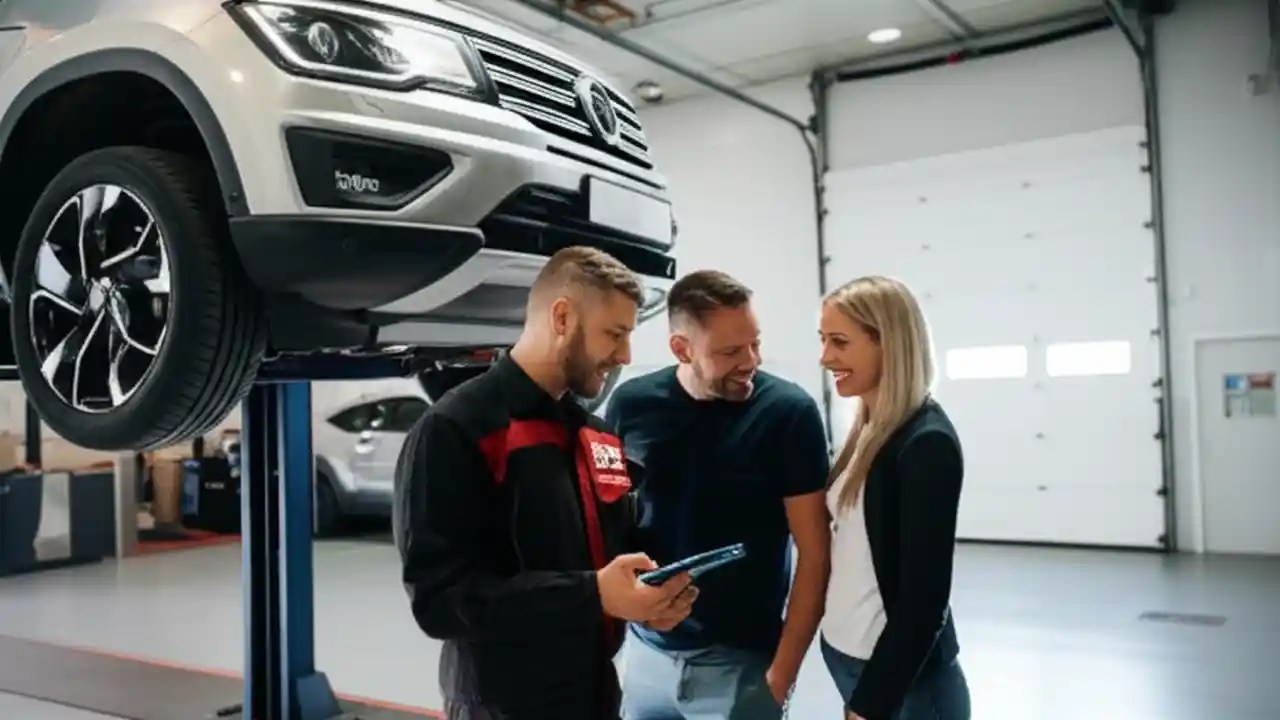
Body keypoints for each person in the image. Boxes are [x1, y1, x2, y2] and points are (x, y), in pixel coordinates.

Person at [393, 246, 699, 720]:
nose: (625, 354)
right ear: (561, 318)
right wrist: (594, 594)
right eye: (614, 334)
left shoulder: (596, 434)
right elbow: (440, 601)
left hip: (595, 693)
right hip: (505, 706)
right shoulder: (457, 429)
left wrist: (652, 592)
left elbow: (616, 547)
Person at [606, 269, 831, 719]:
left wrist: (781, 678)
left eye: (755, 343)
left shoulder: (789, 414)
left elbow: (815, 553)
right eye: (730, 351)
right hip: (645, 659)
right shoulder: (630, 406)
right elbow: (613, 523)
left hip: (742, 666)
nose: (751, 360)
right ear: (680, 348)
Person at [816, 275, 972, 720]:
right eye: (823, 339)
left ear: (887, 343)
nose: (826, 357)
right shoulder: (867, 426)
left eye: (840, 342)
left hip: (905, 688)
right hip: (850, 659)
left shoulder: (926, 443)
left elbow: (925, 603)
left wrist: (869, 705)